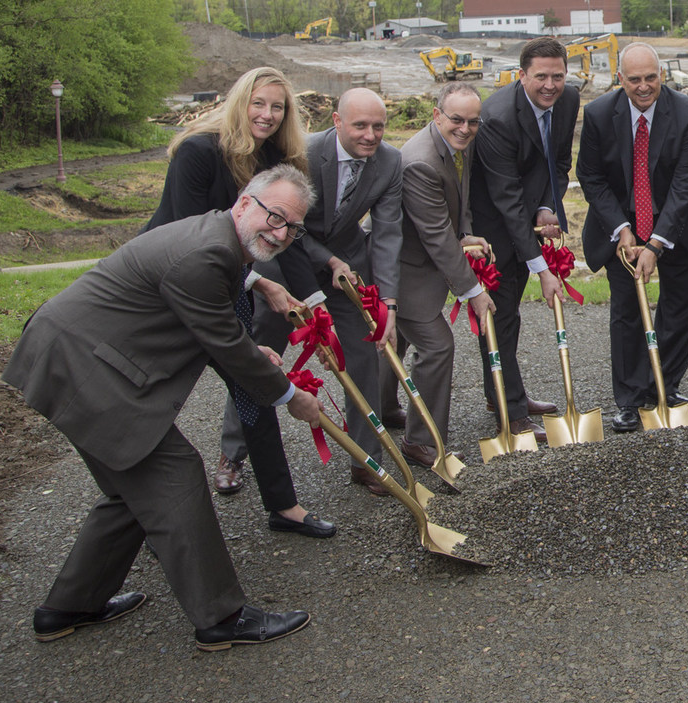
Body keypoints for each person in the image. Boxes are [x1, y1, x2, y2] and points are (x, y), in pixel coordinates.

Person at [7, 166, 319, 651]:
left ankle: (70, 607)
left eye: (292, 228)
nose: (280, 234)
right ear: (244, 203)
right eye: (274, 217)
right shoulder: (209, 252)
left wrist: (252, 352)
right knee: (174, 476)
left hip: (70, 357)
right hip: (82, 367)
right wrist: (289, 396)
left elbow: (211, 328)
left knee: (132, 493)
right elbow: (224, 343)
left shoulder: (219, 240)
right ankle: (221, 617)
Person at [143, 66, 330, 538]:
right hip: (170, 288)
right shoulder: (198, 152)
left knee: (256, 382)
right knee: (154, 398)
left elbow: (289, 237)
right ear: (239, 102)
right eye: (258, 103)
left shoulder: (276, 159)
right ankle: (140, 516)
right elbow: (190, 240)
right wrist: (261, 283)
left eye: (277, 107)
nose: (267, 115)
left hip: (228, 286)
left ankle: (283, 505)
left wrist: (313, 305)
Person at [577, 43, 688, 433]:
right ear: (620, 79)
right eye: (635, 79)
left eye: (651, 78)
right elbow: (590, 176)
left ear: (662, 75)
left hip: (679, 219)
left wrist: (656, 244)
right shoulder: (598, 114)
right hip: (621, 219)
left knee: (679, 308)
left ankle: (664, 386)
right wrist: (622, 230)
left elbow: (685, 182)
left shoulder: (687, 111)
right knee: (626, 312)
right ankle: (629, 399)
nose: (644, 87)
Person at [384, 81, 522, 476]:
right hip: (404, 267)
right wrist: (473, 291)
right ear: (437, 115)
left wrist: (466, 234)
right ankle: (420, 441)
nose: (465, 128)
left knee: (398, 341)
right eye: (456, 120)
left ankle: (385, 407)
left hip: (428, 254)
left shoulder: (460, 143)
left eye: (473, 121)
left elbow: (459, 201)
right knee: (437, 346)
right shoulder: (421, 162)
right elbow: (436, 238)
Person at [290, 89, 413, 489]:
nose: (370, 135)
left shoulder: (390, 161)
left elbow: (388, 233)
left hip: (348, 265)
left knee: (363, 355)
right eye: (360, 125)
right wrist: (327, 260)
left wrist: (388, 303)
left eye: (379, 126)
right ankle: (234, 453)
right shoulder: (304, 154)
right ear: (336, 121)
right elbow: (287, 225)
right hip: (290, 259)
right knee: (261, 350)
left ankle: (367, 459)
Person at [467, 38, 574, 427]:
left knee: (509, 312)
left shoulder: (568, 100)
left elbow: (558, 162)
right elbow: (507, 199)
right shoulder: (497, 118)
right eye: (541, 76)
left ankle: (501, 393)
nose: (550, 85)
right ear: (522, 75)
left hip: (527, 210)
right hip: (491, 225)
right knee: (500, 316)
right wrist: (541, 268)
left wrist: (548, 205)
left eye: (557, 76)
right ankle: (511, 412)